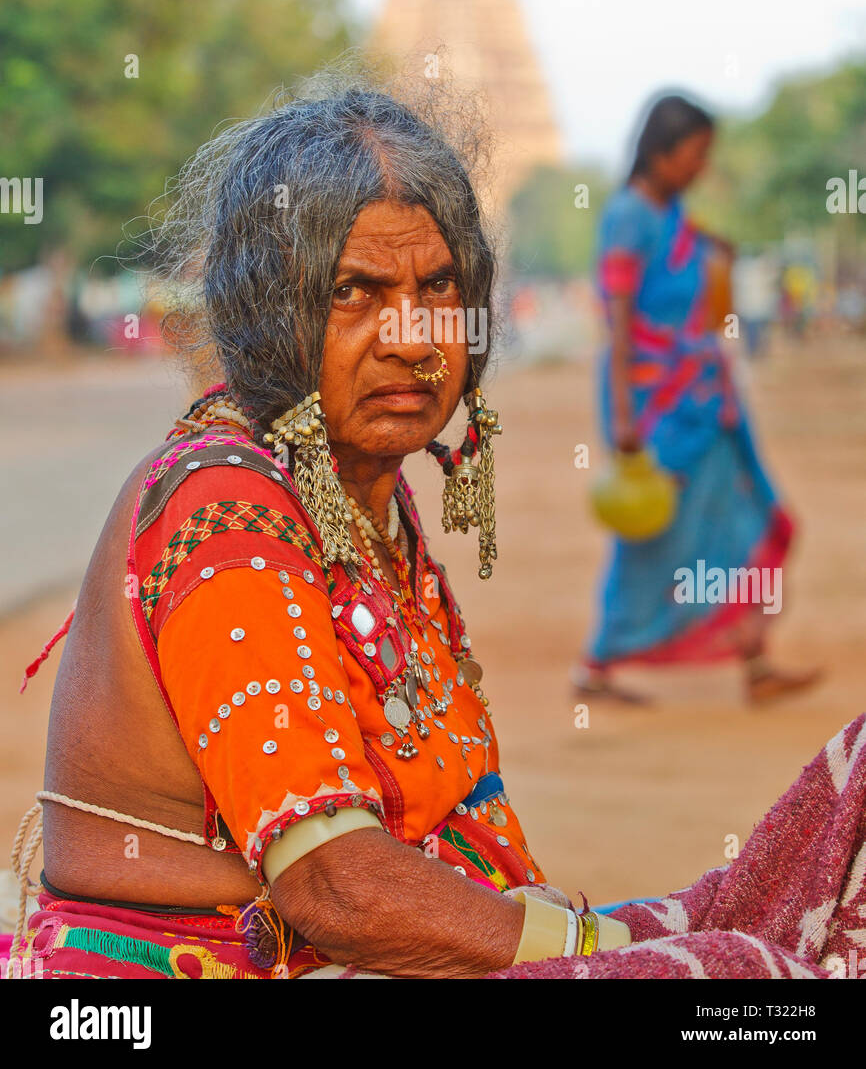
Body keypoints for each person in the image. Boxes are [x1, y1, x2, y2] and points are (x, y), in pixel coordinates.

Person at [9, 82, 859, 982]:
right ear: (266, 311)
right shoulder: (229, 512)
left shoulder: (349, 489)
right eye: (354, 293)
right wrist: (600, 950)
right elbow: (336, 889)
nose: (413, 339)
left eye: (439, 287)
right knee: (739, 982)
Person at [574, 95, 820, 705]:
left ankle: (755, 661)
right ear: (659, 151)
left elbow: (701, 260)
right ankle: (597, 663)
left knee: (744, 521)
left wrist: (721, 256)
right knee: (654, 537)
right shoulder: (627, 217)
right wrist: (627, 418)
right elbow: (620, 321)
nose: (700, 167)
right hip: (656, 408)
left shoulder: (674, 213)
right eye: (694, 154)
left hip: (708, 402)